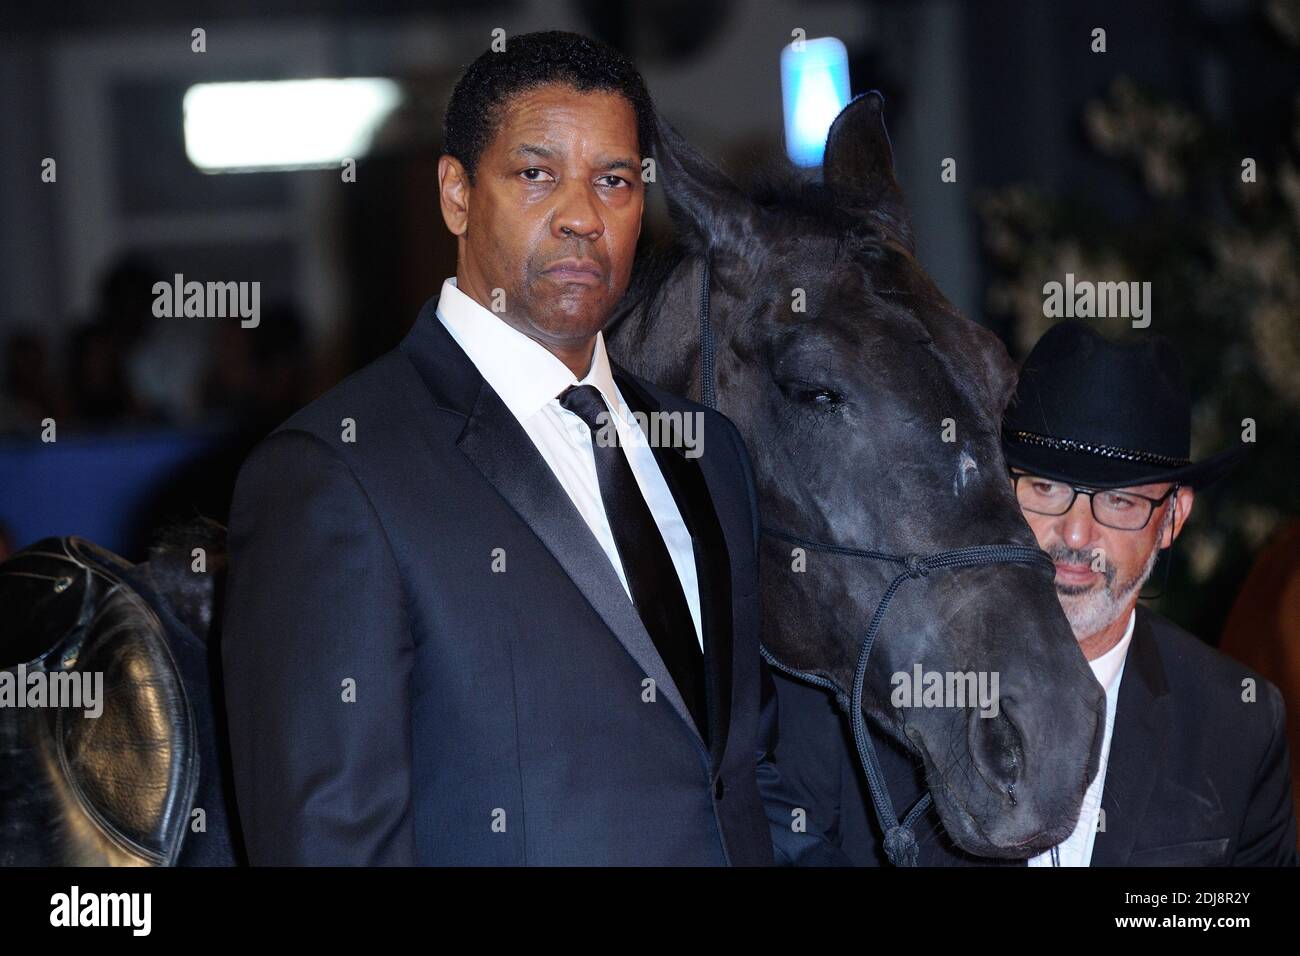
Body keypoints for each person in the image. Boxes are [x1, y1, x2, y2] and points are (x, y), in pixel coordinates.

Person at [220, 31, 775, 865]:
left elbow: (746, 771)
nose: (583, 216)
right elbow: (328, 846)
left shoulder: (710, 455)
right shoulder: (335, 472)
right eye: (536, 174)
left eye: (614, 181)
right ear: (456, 194)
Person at [766, 320, 1297, 866]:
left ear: (1171, 520)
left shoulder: (1239, 721)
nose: (1075, 534)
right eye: (1046, 488)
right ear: (998, 486)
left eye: (1119, 502)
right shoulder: (860, 687)